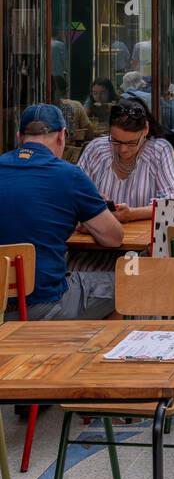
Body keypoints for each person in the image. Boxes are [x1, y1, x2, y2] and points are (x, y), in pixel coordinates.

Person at [0, 104, 123, 319]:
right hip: (41, 303)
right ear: (62, 136)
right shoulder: (70, 176)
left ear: (20, 137)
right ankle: (81, 351)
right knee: (126, 285)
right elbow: (114, 237)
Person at [77, 98, 174, 221]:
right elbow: (74, 194)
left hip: (145, 237)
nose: (123, 149)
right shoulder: (96, 149)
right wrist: (92, 199)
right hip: (101, 234)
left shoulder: (158, 151)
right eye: (116, 141)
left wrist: (132, 214)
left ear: (145, 129)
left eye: (131, 142)